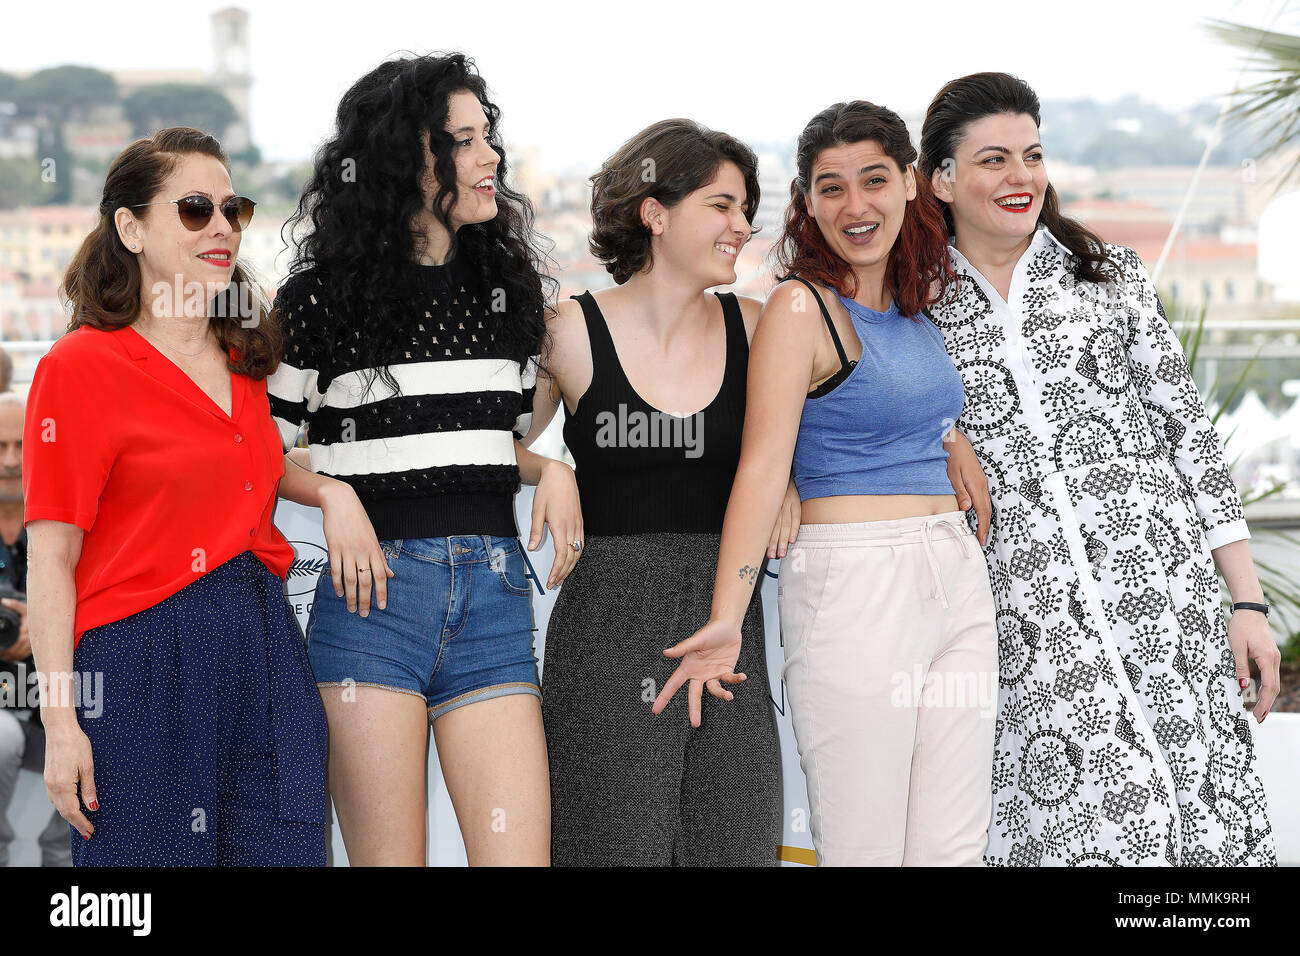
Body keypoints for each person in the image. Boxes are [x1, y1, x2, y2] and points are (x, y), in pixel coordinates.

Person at [919, 71, 1278, 866]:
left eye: (1033, 155)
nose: (1021, 178)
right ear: (941, 179)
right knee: (1077, 827)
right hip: (1024, 612)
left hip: (1162, 596)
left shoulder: (1106, 273)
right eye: (993, 160)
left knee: (1198, 821)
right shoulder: (917, 302)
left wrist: (1245, 600)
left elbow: (1190, 437)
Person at [657, 101, 999, 866]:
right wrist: (726, 614)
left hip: (956, 577)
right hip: (854, 584)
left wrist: (952, 436)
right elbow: (761, 465)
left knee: (954, 847)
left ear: (910, 184)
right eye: (830, 187)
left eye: (874, 180)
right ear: (807, 203)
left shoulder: (916, 313)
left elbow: (908, 410)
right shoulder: (798, 307)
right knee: (863, 846)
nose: (855, 205)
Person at [269, 53, 578, 866]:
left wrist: (557, 468)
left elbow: (481, 449)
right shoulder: (315, 300)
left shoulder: (507, 288)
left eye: (489, 139)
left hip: (495, 597)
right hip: (371, 605)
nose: (491, 159)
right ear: (410, 157)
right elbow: (256, 458)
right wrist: (335, 499)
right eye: (466, 142)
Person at [25, 126, 330, 866]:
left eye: (234, 208)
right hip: (138, 659)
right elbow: (51, 560)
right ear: (129, 227)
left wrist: (332, 492)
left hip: (264, 646)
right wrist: (61, 724)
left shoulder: (249, 358)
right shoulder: (80, 368)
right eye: (195, 209)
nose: (222, 226)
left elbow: (258, 469)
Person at [524, 119, 788, 865]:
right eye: (722, 205)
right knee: (609, 848)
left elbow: (831, 423)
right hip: (605, 632)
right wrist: (553, 467)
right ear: (655, 211)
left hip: (727, 627)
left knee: (734, 844)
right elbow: (494, 444)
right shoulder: (568, 332)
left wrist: (793, 479)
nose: (742, 226)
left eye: (745, 208)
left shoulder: (760, 327)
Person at [0, 392, 69, 867]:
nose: (9, 461)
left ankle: (65, 869)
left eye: (20, 446)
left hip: (58, 701)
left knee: (110, 731)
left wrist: (40, 627)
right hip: (5, 716)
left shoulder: (67, 520)